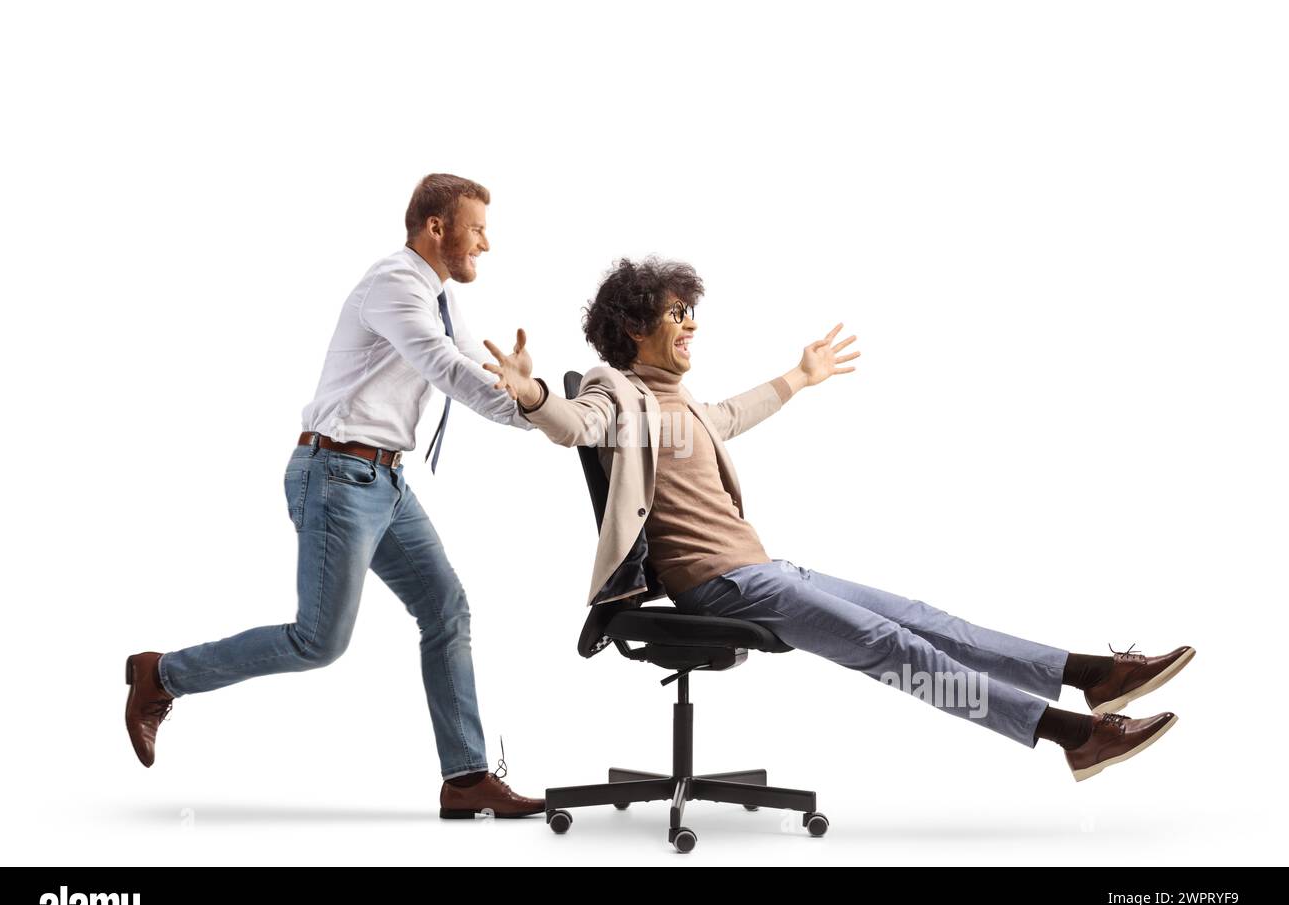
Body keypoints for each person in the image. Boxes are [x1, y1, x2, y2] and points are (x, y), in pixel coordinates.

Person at [482, 256, 1195, 782]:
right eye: (675, 313)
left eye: (690, 311)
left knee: (926, 620)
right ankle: (1074, 734)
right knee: (897, 650)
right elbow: (576, 424)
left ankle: (1092, 673)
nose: (691, 322)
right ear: (634, 326)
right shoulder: (618, 392)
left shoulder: (680, 400)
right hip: (721, 584)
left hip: (763, 569)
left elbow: (730, 416)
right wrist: (533, 394)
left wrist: (798, 377)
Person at [125, 173, 544, 817]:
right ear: (437, 228)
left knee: (447, 610)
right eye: (478, 228)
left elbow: (477, 372)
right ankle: (163, 674)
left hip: (384, 479)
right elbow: (444, 368)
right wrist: (541, 412)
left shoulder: (435, 296)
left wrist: (546, 413)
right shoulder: (395, 286)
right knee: (318, 642)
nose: (486, 244)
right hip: (337, 475)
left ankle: (465, 780)